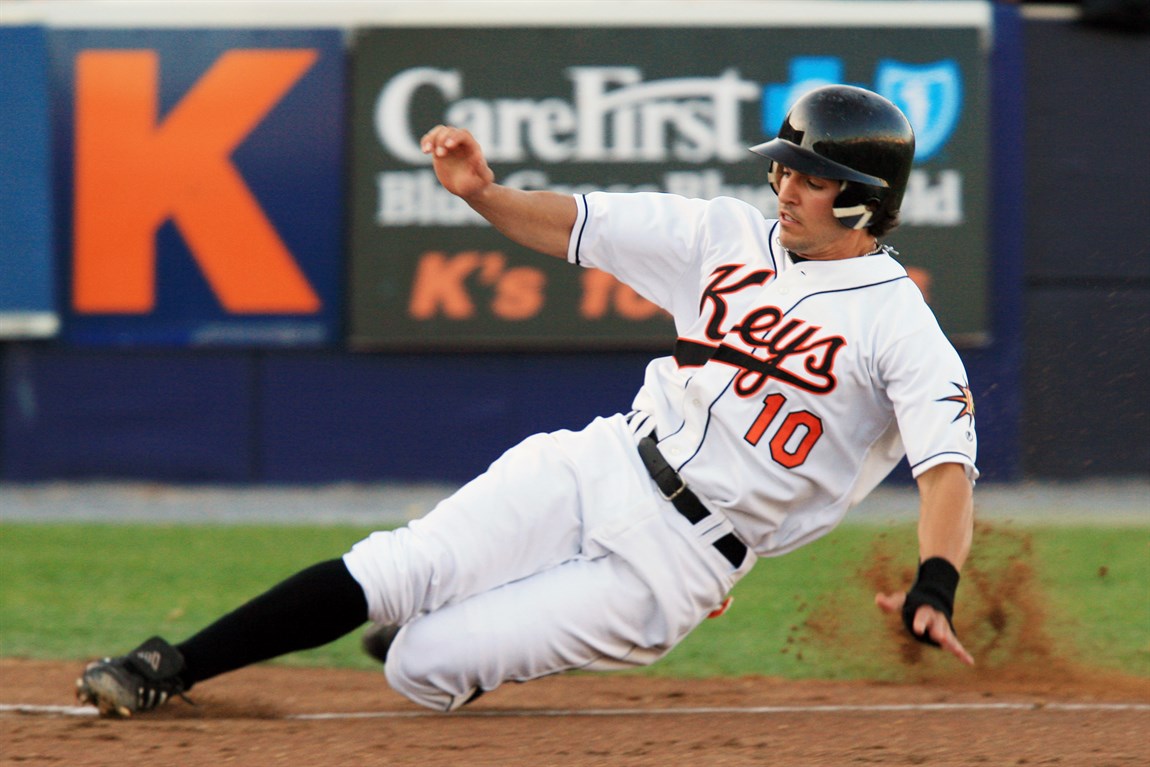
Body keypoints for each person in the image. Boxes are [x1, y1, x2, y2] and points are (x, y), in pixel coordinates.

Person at [76, 84, 977, 718]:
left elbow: (946, 471)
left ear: (863, 203)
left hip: (679, 567)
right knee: (398, 564)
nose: (784, 185)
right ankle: (170, 665)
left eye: (810, 176)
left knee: (418, 667)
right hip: (602, 462)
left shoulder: (900, 325)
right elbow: (576, 223)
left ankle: (435, 641)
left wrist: (935, 582)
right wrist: (483, 195)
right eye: (782, 166)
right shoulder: (723, 234)